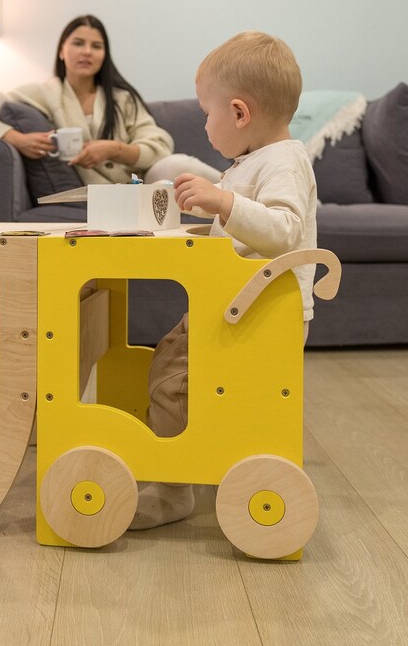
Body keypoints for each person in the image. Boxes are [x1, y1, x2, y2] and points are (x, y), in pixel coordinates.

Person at [129, 30, 318, 530]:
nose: (205, 126)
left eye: (206, 114)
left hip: (255, 315)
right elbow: (234, 234)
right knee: (169, 364)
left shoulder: (281, 162)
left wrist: (223, 201)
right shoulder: (249, 163)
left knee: (174, 385)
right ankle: (196, 463)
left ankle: (173, 487)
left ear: (239, 113)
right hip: (229, 307)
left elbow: (284, 229)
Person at [0, 14, 220, 186]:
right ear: (62, 50)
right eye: (78, 43)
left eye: (96, 46)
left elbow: (159, 145)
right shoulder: (44, 93)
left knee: (177, 165)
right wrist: (17, 139)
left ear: (104, 55)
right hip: (95, 194)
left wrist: (113, 149)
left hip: (139, 186)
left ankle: (242, 200)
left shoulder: (122, 99)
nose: (87, 51)